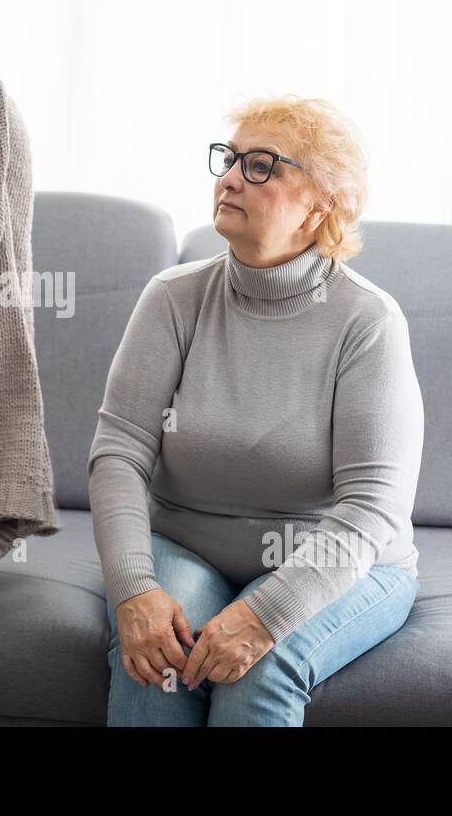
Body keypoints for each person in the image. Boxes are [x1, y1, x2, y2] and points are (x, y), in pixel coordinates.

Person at [89, 96, 425, 726]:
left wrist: (267, 615)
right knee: (158, 661)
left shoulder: (367, 320)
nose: (232, 176)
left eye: (263, 165)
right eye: (230, 159)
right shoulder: (174, 298)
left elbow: (371, 507)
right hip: (189, 546)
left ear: (321, 204)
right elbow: (120, 452)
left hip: (341, 561)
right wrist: (134, 589)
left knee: (260, 667)